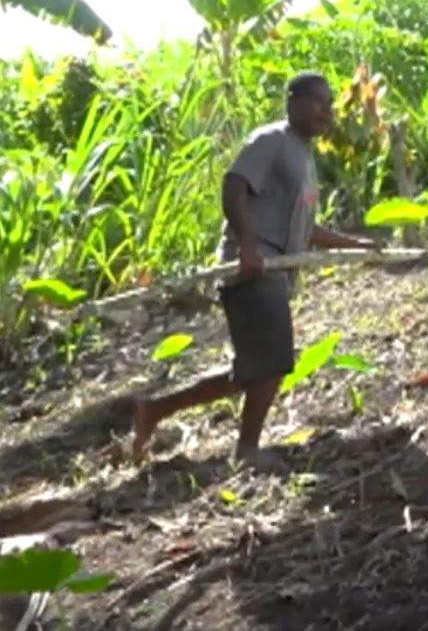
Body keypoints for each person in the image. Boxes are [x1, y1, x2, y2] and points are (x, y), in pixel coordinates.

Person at [132, 71, 378, 470]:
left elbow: (305, 228)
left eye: (329, 104)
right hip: (251, 264)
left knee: (254, 367)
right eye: (318, 101)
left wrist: (358, 245)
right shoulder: (271, 141)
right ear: (293, 100)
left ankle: (156, 409)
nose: (326, 111)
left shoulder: (303, 155)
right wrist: (246, 243)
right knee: (275, 361)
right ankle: (247, 450)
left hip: (274, 267)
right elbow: (234, 185)